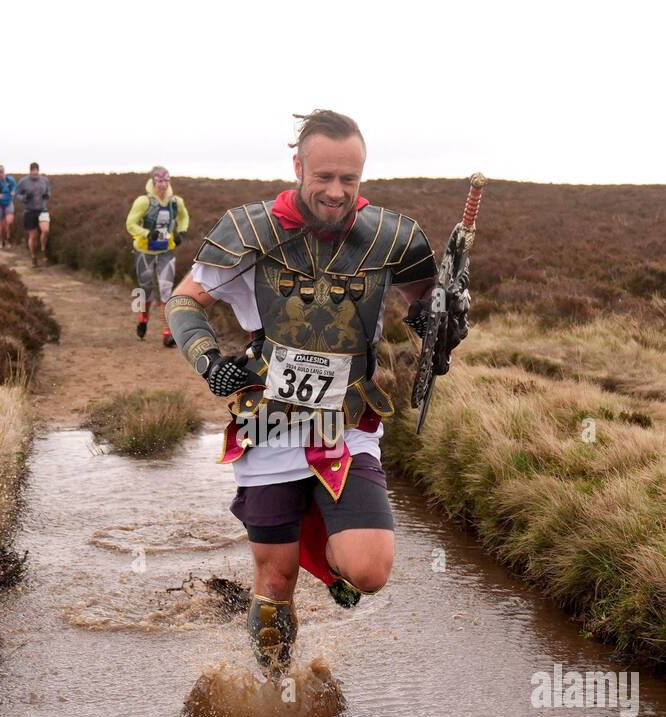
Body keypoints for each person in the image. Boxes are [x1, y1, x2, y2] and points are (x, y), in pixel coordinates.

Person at [167, 109, 467, 676]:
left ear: (362, 176)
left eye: (349, 180)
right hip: (270, 422)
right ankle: (277, 692)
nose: (336, 192)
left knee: (370, 570)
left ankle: (333, 566)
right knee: (274, 582)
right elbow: (184, 302)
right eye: (324, 177)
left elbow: (432, 304)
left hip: (348, 421)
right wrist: (208, 362)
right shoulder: (250, 230)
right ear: (298, 165)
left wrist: (443, 321)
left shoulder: (390, 236)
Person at [125, 166, 190, 347]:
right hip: (144, 252)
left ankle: (167, 332)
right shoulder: (143, 202)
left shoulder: (176, 202)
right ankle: (142, 318)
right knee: (144, 290)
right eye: (160, 181)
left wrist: (181, 233)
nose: (163, 185)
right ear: (153, 182)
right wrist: (147, 233)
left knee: (166, 291)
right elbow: (130, 224)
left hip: (165, 252)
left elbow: (184, 217)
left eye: (166, 181)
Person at [14, 162, 51, 267]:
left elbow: (48, 192)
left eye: (36, 170)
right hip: (29, 211)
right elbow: (17, 195)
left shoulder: (44, 180)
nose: (35, 172)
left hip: (42, 209)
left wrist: (46, 196)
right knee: (33, 236)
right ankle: (34, 257)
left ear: (38, 170)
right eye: (33, 170)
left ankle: (43, 248)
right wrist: (25, 197)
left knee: (46, 230)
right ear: (30, 171)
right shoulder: (23, 181)